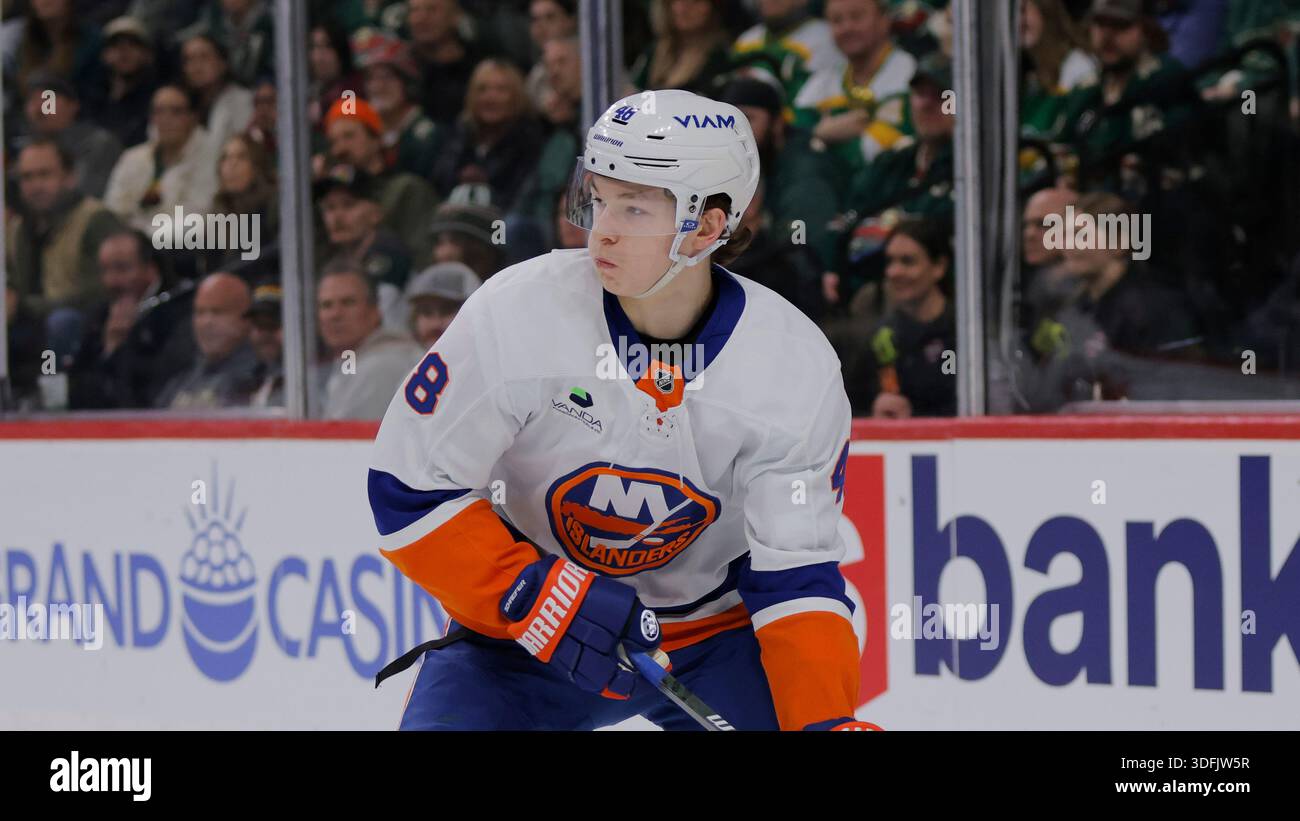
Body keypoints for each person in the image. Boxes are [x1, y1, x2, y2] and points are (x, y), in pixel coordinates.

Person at [369, 90, 878, 732]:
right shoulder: (517, 313)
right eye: (599, 199)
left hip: (713, 642)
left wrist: (825, 720)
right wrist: (526, 591)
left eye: (633, 208)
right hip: (525, 636)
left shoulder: (791, 366)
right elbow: (408, 489)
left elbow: (797, 577)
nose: (600, 230)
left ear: (707, 227)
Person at [6, 137, 122, 363]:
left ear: (70, 177)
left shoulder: (95, 219)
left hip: (82, 329)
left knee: (62, 321)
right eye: (27, 177)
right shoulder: (16, 228)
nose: (36, 186)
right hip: (27, 327)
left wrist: (25, 306)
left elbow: (102, 292)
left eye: (45, 175)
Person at [842, 217, 956, 417]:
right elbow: (847, 409)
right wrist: (873, 415)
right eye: (890, 261)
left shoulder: (966, 333)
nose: (894, 272)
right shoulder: (877, 337)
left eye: (907, 261)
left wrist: (916, 417)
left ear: (939, 267)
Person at [792, 0, 916, 176]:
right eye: (837, 20)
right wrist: (819, 132)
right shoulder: (823, 80)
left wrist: (821, 141)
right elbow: (793, 140)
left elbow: (875, 151)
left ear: (884, 20)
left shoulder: (908, 74)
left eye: (857, 17)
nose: (847, 27)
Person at [321, 95, 439, 265]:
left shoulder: (405, 189)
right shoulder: (328, 196)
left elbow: (423, 256)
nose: (340, 149)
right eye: (333, 142)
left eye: (349, 136)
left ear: (376, 139)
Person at [103, 84, 219, 233]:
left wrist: (142, 235)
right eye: (158, 112)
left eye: (176, 112)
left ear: (193, 117)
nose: (165, 119)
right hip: (128, 238)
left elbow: (196, 217)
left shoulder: (210, 158)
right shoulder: (132, 157)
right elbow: (113, 207)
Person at [316, 264, 423, 420]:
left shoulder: (383, 363)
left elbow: (349, 433)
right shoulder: (351, 359)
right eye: (326, 305)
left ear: (375, 311)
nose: (335, 314)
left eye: (348, 302)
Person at [154, 271, 258, 409]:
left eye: (217, 312)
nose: (206, 322)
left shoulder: (257, 379)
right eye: (200, 312)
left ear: (245, 319)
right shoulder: (181, 381)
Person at [19, 70, 123, 199]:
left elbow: (85, 197)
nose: (39, 108)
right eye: (32, 100)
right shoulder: (25, 150)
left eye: (48, 99)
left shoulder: (98, 144)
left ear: (73, 105)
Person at [629, 0, 734, 95]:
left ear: (713, 8)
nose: (682, 8)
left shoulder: (722, 55)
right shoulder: (654, 51)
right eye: (676, 1)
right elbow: (632, 93)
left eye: (695, 1)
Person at [403, 261, 480, 348]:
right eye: (426, 312)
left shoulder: (489, 355)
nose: (435, 324)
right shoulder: (398, 354)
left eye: (447, 311)